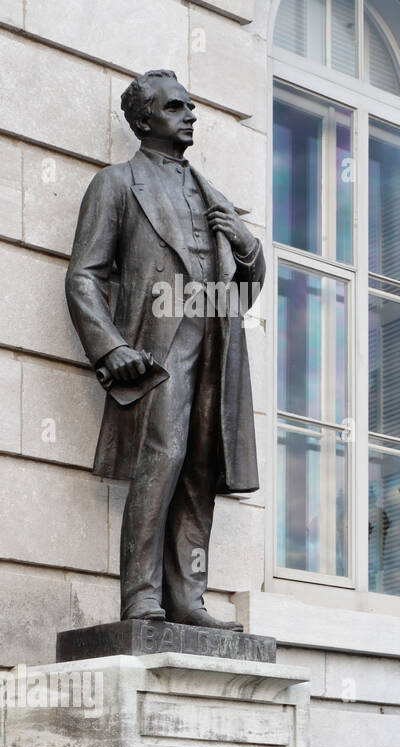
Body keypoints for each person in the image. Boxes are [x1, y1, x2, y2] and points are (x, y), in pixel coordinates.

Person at [65, 69, 264, 629]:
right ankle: (141, 599)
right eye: (177, 107)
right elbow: (83, 276)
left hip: (216, 346)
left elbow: (247, 290)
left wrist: (247, 245)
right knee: (163, 459)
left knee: (201, 467)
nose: (191, 114)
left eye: (191, 106)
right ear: (145, 118)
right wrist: (109, 348)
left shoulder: (209, 190)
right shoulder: (118, 184)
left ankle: (188, 599)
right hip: (158, 349)